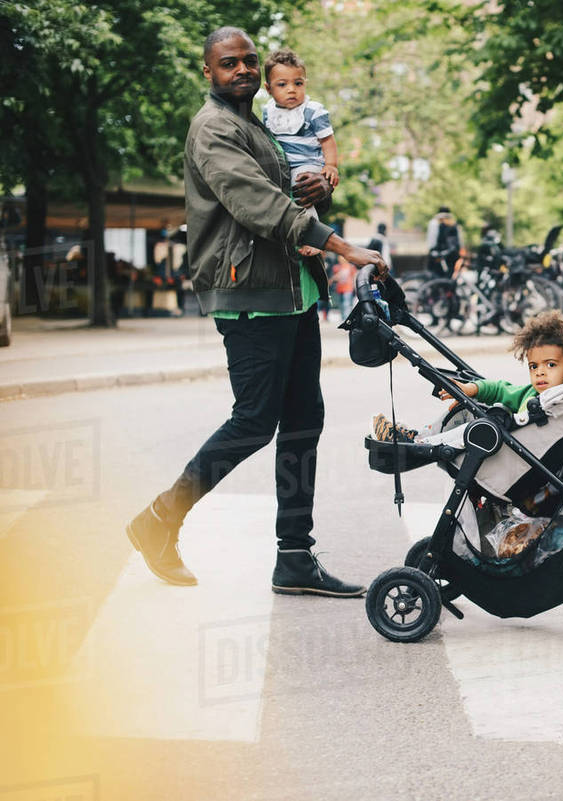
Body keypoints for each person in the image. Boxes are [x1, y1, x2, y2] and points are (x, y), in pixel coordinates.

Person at [125, 26, 388, 596]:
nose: (242, 70)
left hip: (295, 293)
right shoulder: (214, 128)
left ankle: (295, 556)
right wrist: (343, 244)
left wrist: (319, 190)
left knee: (303, 422)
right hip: (251, 300)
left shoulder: (259, 126)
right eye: (228, 64)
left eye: (249, 61)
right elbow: (259, 205)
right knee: (253, 421)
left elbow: (290, 197)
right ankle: (158, 520)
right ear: (209, 73)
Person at [373, 310, 563, 442]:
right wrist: (469, 389)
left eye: (550, 364)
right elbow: (500, 389)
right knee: (470, 407)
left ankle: (418, 441)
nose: (539, 371)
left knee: (472, 416)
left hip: (516, 456)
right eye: (533, 366)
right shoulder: (529, 393)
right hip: (512, 448)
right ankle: (420, 437)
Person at [261, 48, 338, 259]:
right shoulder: (268, 112)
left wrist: (330, 166)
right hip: (284, 165)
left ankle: (313, 238)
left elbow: (327, 140)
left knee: (302, 191)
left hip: (307, 163)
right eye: (282, 84)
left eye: (298, 83)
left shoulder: (313, 111)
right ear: (268, 88)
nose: (292, 90)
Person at [425, 206, 463, 276]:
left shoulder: (435, 222)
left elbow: (432, 240)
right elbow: (460, 241)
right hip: (452, 255)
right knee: (449, 275)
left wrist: (431, 251)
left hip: (438, 254)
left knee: (435, 275)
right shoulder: (454, 224)